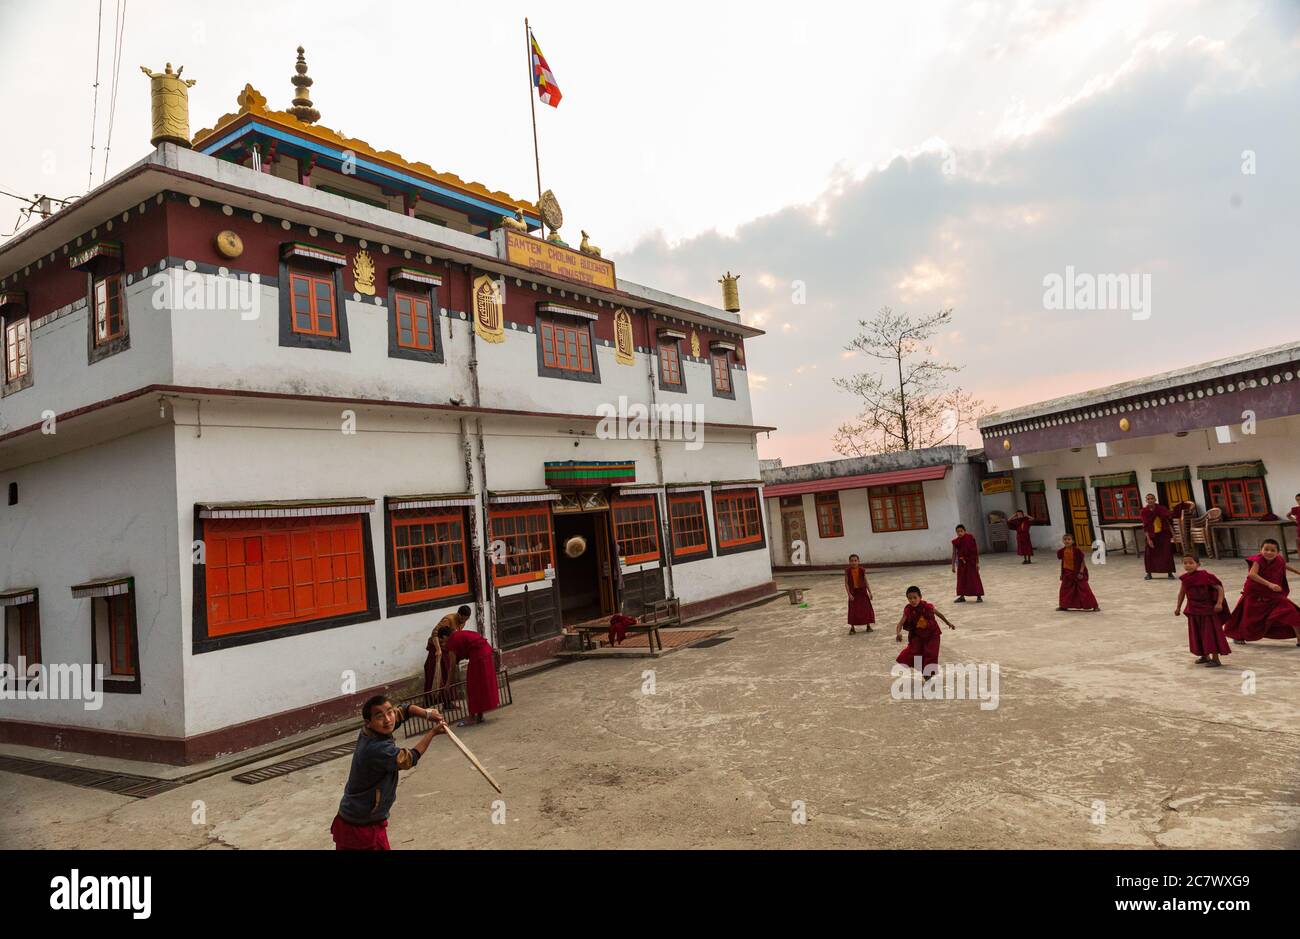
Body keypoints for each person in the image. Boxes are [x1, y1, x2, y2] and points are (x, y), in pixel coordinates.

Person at [330, 695, 445, 850]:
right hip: (359, 824)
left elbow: (406, 709)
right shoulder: (376, 748)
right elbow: (408, 759)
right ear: (368, 723)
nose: (388, 719)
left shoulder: (374, 729)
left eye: (389, 712)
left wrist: (427, 714)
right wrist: (432, 733)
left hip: (363, 818)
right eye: (379, 716)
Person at [1223, 539, 1300, 646]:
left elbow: (1283, 565)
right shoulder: (1257, 560)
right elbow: (1252, 575)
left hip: (1274, 595)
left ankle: (1299, 640)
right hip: (1255, 594)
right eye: (1266, 549)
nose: (1269, 552)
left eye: (1272, 550)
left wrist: (1297, 571)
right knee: (1249, 620)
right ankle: (1238, 635)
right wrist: (1270, 584)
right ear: (1260, 550)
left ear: (1278, 553)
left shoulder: (1279, 560)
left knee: (1292, 612)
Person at [445, 606, 501, 723]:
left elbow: (452, 667)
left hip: (479, 656)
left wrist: (448, 684)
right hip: (486, 653)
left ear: (445, 637)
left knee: (472, 686)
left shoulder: (451, 640)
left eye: (442, 641)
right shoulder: (458, 634)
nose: (443, 644)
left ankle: (472, 716)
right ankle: (479, 715)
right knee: (480, 685)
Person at [1174, 555, 1230, 667]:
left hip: (1207, 609)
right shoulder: (1185, 578)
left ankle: (1215, 659)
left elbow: (1219, 588)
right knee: (1197, 633)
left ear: (1198, 565)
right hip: (1193, 609)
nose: (1188, 565)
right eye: (1185, 563)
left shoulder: (1205, 576)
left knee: (1210, 633)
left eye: (1191, 563)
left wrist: (1219, 603)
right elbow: (1182, 593)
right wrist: (1178, 607)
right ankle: (1205, 656)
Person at [895, 585, 956, 674]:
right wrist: (898, 633)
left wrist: (948, 623)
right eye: (910, 598)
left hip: (932, 634)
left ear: (920, 597)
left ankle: (928, 675)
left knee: (931, 654)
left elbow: (939, 614)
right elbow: (900, 623)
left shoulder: (927, 607)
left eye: (915, 598)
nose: (912, 600)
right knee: (914, 653)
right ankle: (924, 672)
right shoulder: (908, 609)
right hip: (918, 635)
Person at [424, 608, 469, 704]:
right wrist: (438, 649)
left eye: (466, 619)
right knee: (434, 674)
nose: (464, 621)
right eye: (463, 619)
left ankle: (447, 701)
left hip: (447, 650)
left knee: (448, 674)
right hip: (437, 650)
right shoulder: (448, 619)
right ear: (458, 615)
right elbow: (434, 633)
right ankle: (430, 702)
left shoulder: (463, 622)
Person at [1057, 533, 1100, 611]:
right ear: (1063, 541)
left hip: (1077, 573)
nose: (1067, 541)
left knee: (1084, 589)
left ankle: (1095, 606)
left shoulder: (1077, 550)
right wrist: (1062, 574)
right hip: (1067, 573)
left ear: (1073, 541)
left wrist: (1081, 572)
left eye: (1069, 539)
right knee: (1064, 590)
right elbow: (1063, 562)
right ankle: (1063, 605)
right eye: (1065, 539)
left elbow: (1082, 562)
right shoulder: (1062, 551)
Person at [1140, 493, 1176, 581]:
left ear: (1155, 500)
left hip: (1163, 534)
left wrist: (1174, 535)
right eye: (1148, 499)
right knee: (1149, 554)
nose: (1150, 500)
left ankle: (1170, 573)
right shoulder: (1144, 511)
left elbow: (1168, 521)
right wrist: (1148, 539)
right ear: (1146, 501)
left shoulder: (1162, 509)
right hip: (1152, 535)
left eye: (1152, 498)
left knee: (1166, 553)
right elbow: (1145, 526)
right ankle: (1149, 573)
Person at [950, 525, 984, 602]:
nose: (960, 533)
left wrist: (977, 563)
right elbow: (954, 553)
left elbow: (975, 551)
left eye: (961, 531)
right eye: (958, 531)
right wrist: (953, 565)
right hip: (961, 563)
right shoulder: (955, 542)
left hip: (971, 562)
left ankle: (979, 596)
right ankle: (962, 596)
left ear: (965, 531)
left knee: (974, 579)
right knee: (961, 579)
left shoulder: (970, 538)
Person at [845, 553, 875, 634]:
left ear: (858, 561)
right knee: (853, 610)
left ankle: (868, 626)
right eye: (851, 561)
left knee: (866, 608)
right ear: (849, 562)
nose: (853, 562)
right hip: (853, 592)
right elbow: (846, 583)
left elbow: (866, 581)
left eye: (855, 560)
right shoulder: (848, 571)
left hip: (862, 592)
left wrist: (870, 592)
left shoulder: (861, 570)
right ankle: (852, 628)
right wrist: (849, 594)